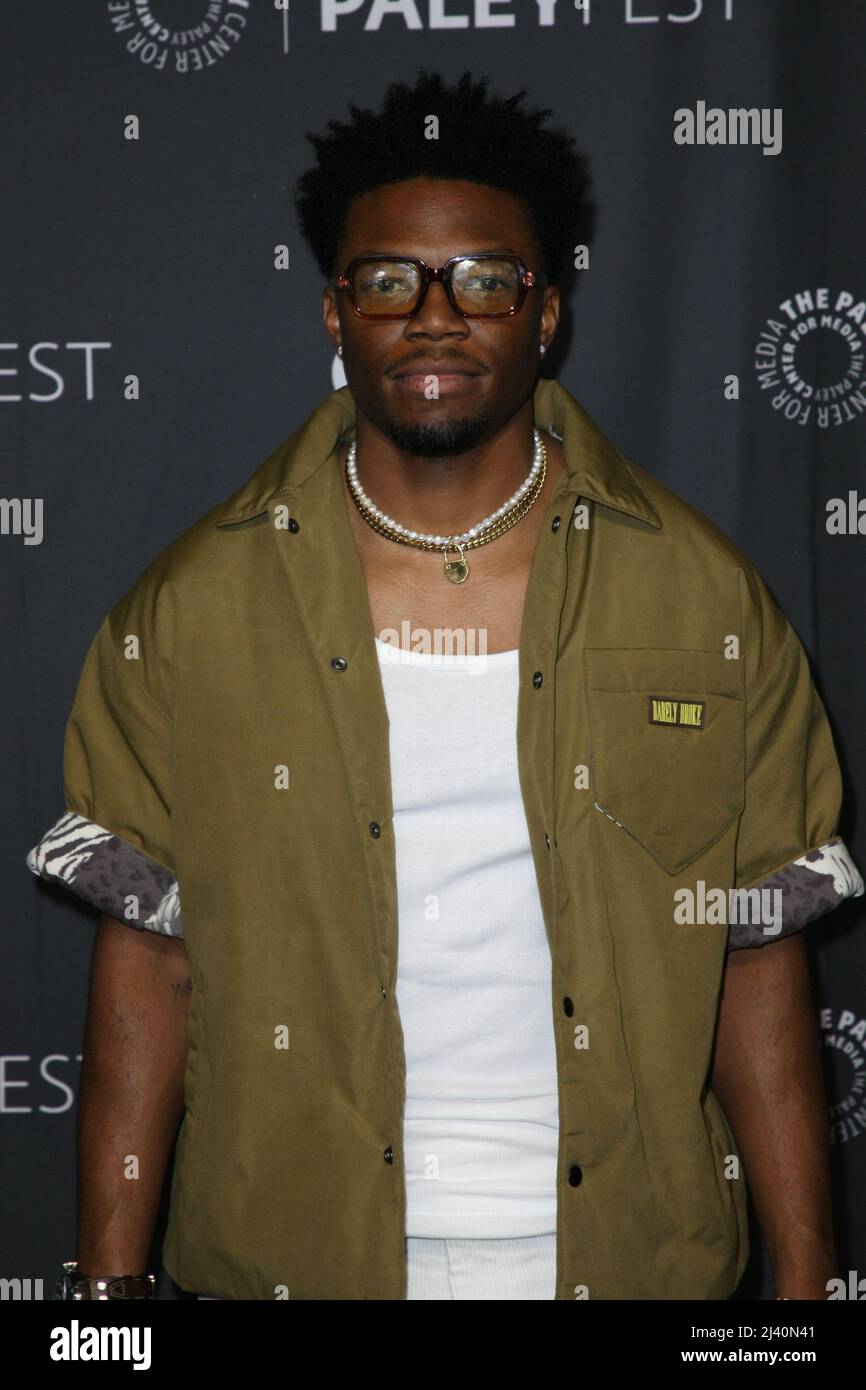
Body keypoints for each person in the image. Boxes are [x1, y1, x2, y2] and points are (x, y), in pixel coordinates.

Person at [28, 69, 863, 1302]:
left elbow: (749, 958)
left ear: (545, 312)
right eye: (386, 280)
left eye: (482, 279)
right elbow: (150, 967)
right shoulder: (193, 608)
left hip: (630, 1261)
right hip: (293, 1264)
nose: (434, 316)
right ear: (332, 312)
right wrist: (99, 1309)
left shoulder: (701, 599)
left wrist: (803, 1298)